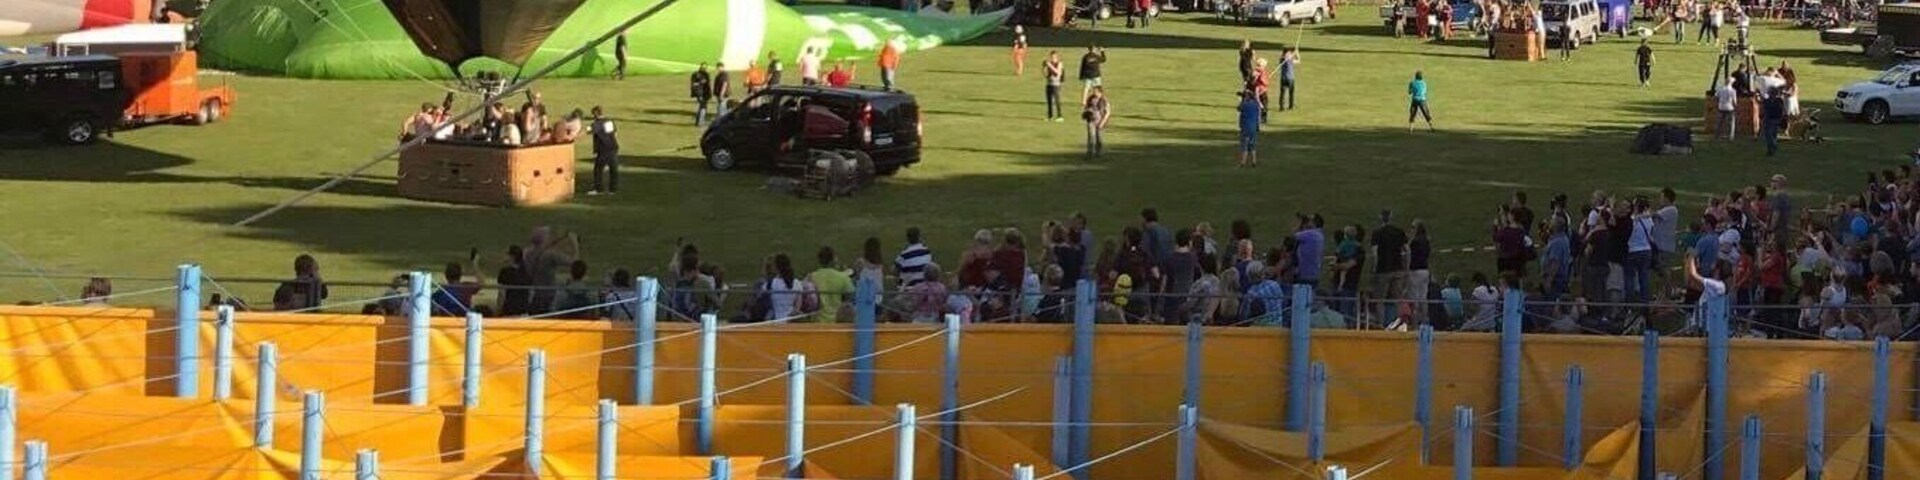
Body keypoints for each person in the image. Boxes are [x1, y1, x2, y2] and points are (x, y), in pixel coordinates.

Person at [1371, 210, 1410, 324]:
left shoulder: (1377, 233)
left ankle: (1382, 325)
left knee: (1380, 301)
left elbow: (1375, 253)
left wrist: (1374, 268)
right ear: (1391, 217)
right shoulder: (1399, 232)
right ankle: (1398, 324)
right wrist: (1406, 267)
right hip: (1398, 269)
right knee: (1397, 300)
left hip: (1383, 270)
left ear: (1380, 217)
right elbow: (1407, 250)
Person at [808, 247, 854, 322]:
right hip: (837, 321)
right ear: (833, 260)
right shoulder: (843, 277)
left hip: (818, 322)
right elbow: (850, 297)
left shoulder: (812, 277)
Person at [589, 106, 620, 195]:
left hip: (603, 149)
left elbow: (588, 131)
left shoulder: (596, 124)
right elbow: (614, 133)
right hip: (613, 147)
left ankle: (599, 189)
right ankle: (613, 190)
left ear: (596, 114)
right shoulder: (609, 121)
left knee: (598, 170)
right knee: (613, 170)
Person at [1083, 86, 1111, 160]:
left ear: (1100, 92)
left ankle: (1099, 153)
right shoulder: (1090, 98)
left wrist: (1102, 122)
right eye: (1093, 91)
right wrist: (1087, 112)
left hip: (1100, 121)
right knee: (1091, 137)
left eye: (1096, 91)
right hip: (1091, 120)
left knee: (1099, 137)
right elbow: (1086, 107)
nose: (1094, 93)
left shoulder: (1104, 101)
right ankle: (1089, 153)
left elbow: (1107, 112)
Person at [1237, 90, 1261, 168]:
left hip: (1245, 128)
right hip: (1254, 127)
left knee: (1244, 145)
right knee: (1252, 145)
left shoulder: (1244, 105)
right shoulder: (1256, 105)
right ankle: (1254, 161)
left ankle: (1243, 162)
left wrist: (1242, 100)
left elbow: (1238, 108)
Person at [1761, 86, 1786, 157]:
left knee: (1769, 134)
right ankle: (1771, 149)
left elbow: (1764, 109)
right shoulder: (1777, 100)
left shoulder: (1774, 101)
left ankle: (1773, 146)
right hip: (1773, 118)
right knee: (1772, 134)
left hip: (1772, 119)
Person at [1044, 51, 1065, 121]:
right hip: (1049, 84)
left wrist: (1049, 65)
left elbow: (1057, 72)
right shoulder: (1049, 64)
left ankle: (1059, 116)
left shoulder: (1059, 63)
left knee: (1057, 101)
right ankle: (1050, 116)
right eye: (1051, 57)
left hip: (1056, 85)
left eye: (1053, 57)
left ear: (1056, 57)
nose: (1052, 58)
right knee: (1049, 101)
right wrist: (1044, 68)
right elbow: (1045, 74)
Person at [1715, 76, 1737, 140]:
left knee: (1719, 122)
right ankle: (1730, 136)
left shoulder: (1720, 89)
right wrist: (1736, 107)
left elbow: (1716, 97)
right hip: (1729, 107)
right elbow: (1734, 101)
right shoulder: (1733, 91)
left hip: (1721, 107)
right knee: (1731, 123)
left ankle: (1717, 135)